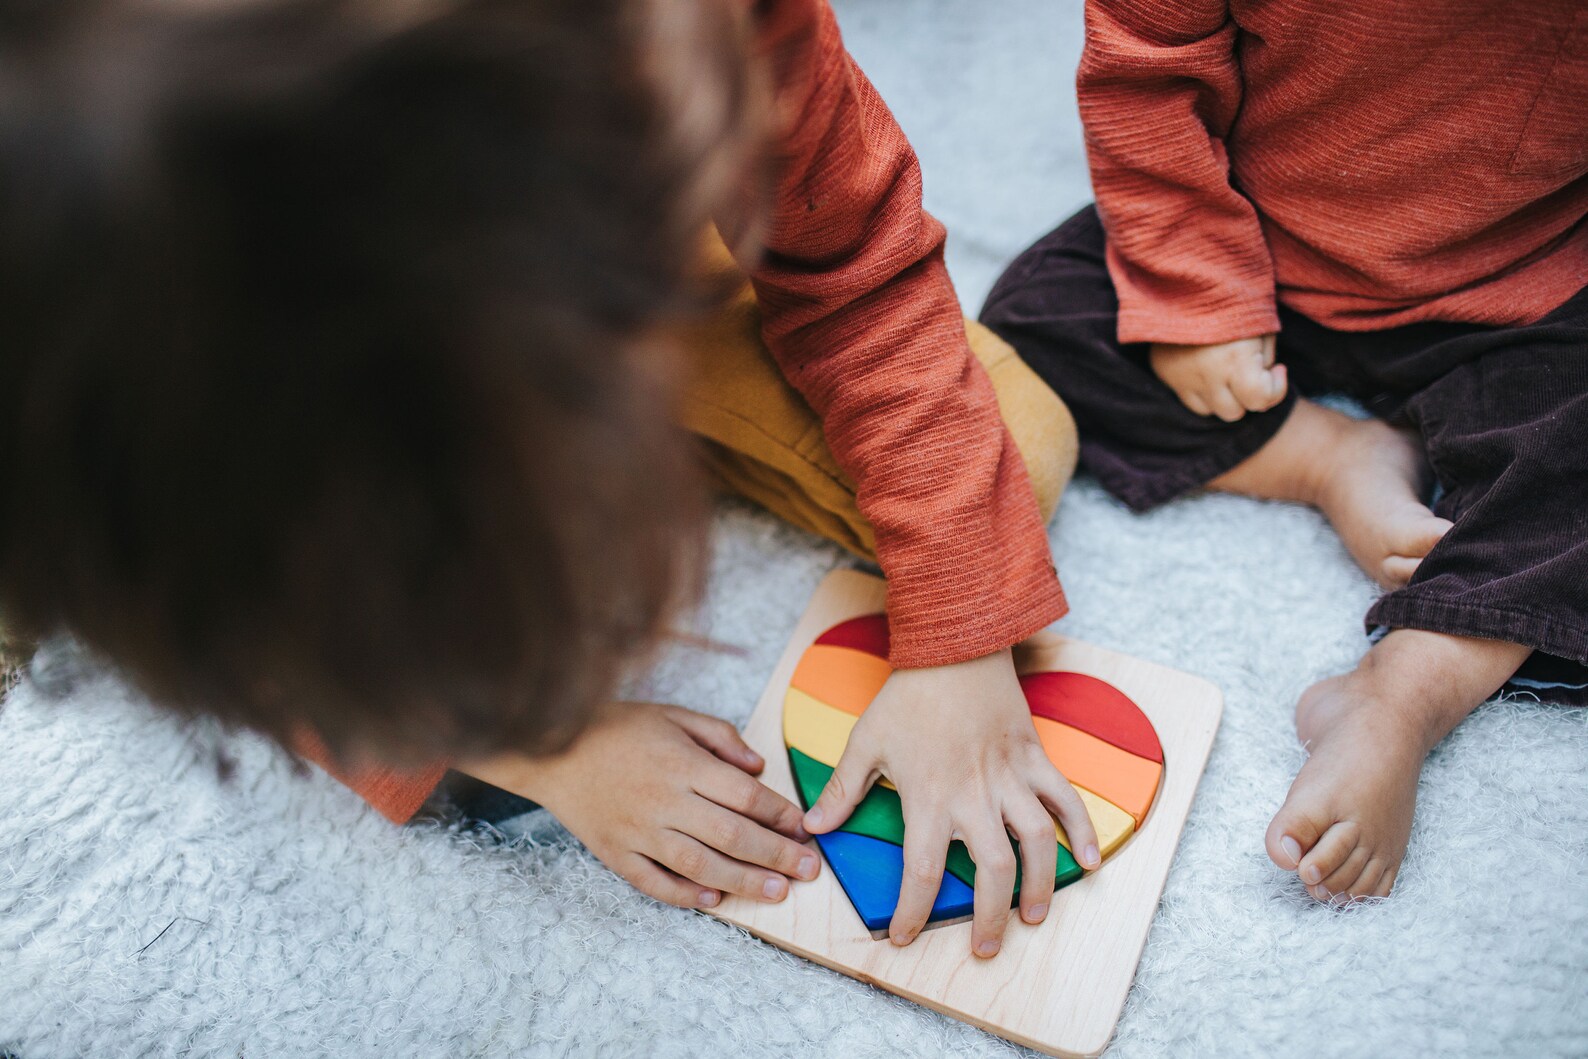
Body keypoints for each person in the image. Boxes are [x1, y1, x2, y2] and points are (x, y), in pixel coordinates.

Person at [0, 0, 1095, 956]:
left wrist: (959, 635)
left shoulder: (691, 44)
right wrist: (546, 752)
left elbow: (859, 271)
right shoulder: (118, 272)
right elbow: (233, 598)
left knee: (1010, 454)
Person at [982, 0, 1587, 903]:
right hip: (1251, 248)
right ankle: (1325, 455)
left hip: (1517, 290)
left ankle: (1404, 692)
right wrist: (1192, 290)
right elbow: (1144, 69)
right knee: (1030, 322)